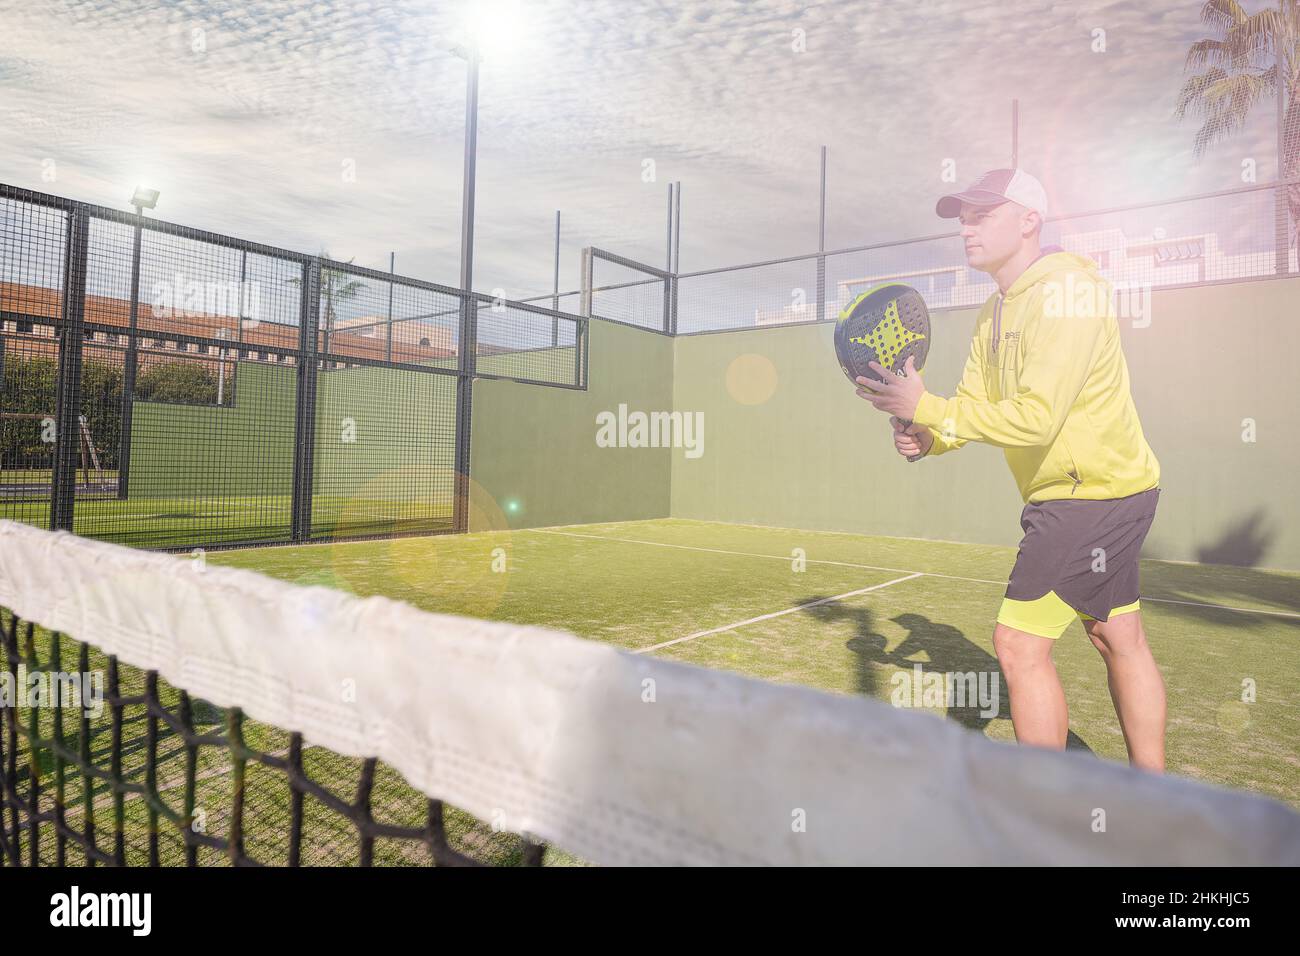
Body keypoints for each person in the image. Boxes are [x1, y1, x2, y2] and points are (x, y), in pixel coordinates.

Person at [856, 168, 1166, 771]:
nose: (967, 229)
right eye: (963, 218)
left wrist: (924, 406)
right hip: (1093, 492)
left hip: (1092, 494)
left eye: (982, 215)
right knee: (1116, 636)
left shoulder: (1068, 293)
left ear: (1029, 221)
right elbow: (973, 412)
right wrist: (928, 436)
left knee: (1017, 644)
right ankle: (1153, 793)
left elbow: (1038, 419)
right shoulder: (992, 315)